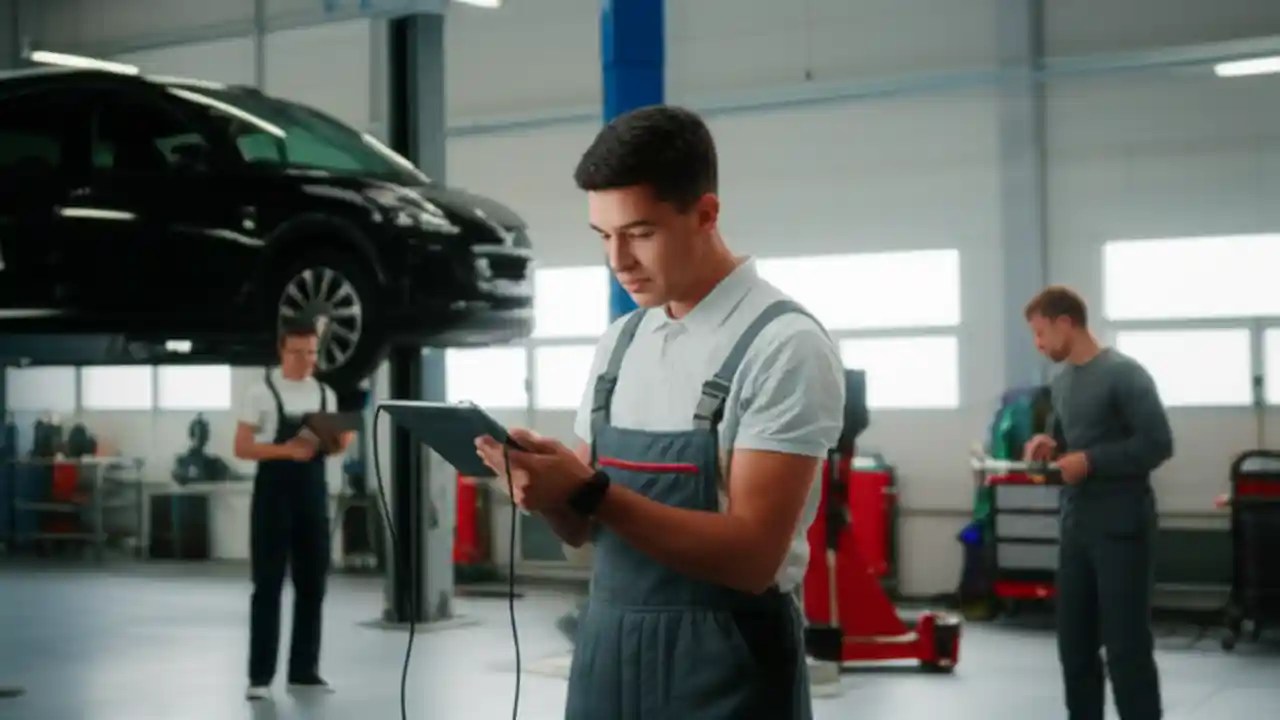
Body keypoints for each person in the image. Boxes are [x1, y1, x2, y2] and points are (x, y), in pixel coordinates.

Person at [476, 105, 846, 720]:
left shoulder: (782, 346)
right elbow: (584, 533)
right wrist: (545, 489)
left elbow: (752, 557)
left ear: (705, 215)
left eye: (640, 232)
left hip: (727, 667)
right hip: (606, 651)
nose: (617, 260)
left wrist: (590, 492)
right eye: (603, 236)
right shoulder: (619, 345)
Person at [1022, 286, 1173, 720]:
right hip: (1076, 530)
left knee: (1127, 651)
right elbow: (1070, 442)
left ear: (1065, 323)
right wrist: (1048, 446)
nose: (1038, 343)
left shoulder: (1125, 375)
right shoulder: (1063, 381)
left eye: (1040, 333)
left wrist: (1090, 460)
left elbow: (1158, 444)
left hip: (1122, 528)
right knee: (1074, 650)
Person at [234, 320, 355, 701]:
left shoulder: (325, 393)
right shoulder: (260, 392)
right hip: (273, 494)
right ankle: (259, 676)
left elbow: (333, 447)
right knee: (267, 585)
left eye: (313, 352)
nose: (307, 360)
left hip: (312, 494)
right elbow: (242, 447)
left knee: (312, 584)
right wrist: (287, 451)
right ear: (282, 351)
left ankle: (305, 670)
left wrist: (342, 441)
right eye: (299, 352)